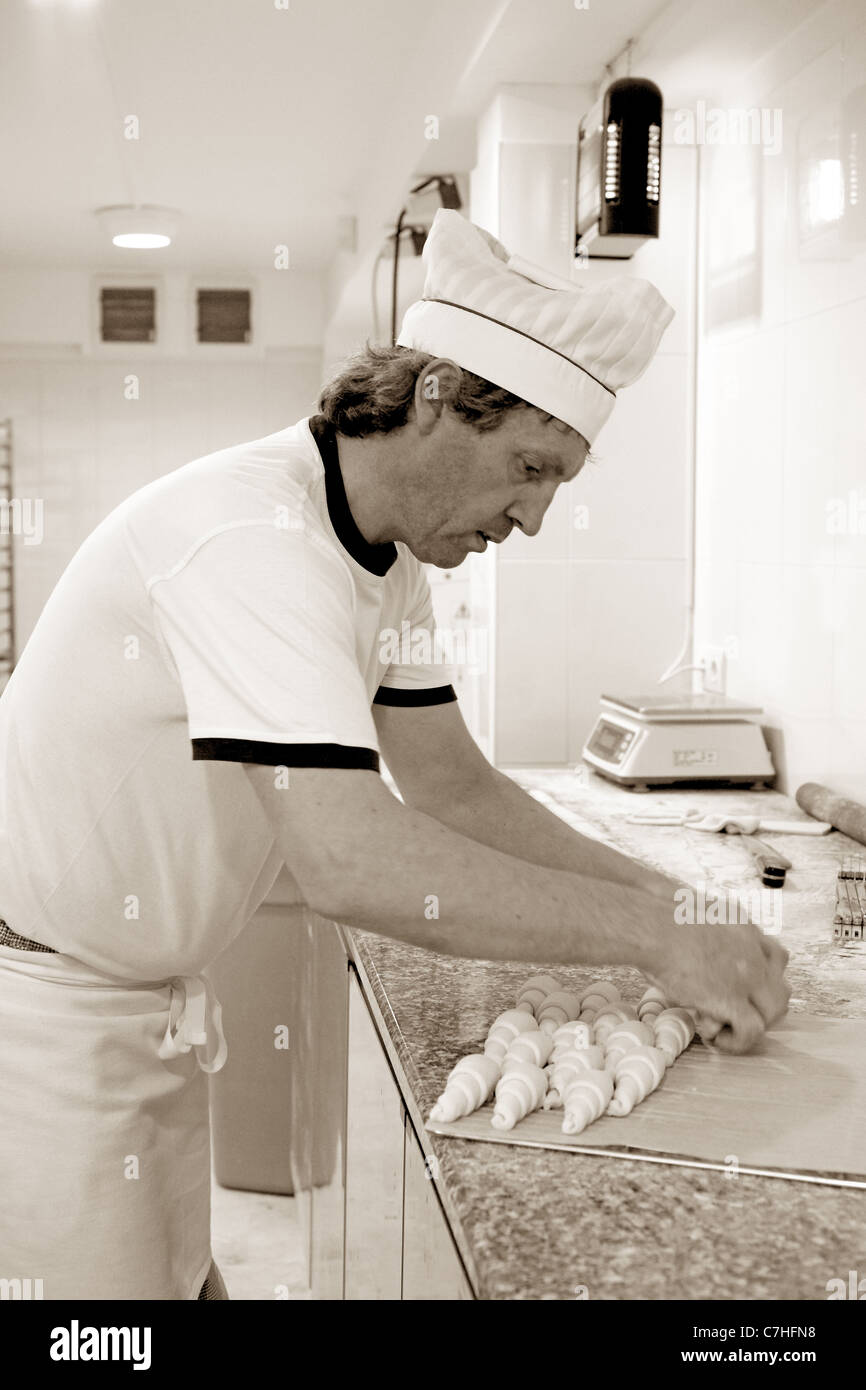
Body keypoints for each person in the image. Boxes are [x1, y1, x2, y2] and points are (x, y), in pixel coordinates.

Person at [0, 210, 789, 1300]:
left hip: (145, 1006)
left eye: (557, 479)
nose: (533, 516)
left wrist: (682, 912)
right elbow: (352, 860)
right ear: (432, 400)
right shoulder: (253, 540)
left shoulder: (383, 560)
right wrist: (649, 933)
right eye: (527, 464)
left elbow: (451, 785)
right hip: (41, 1027)